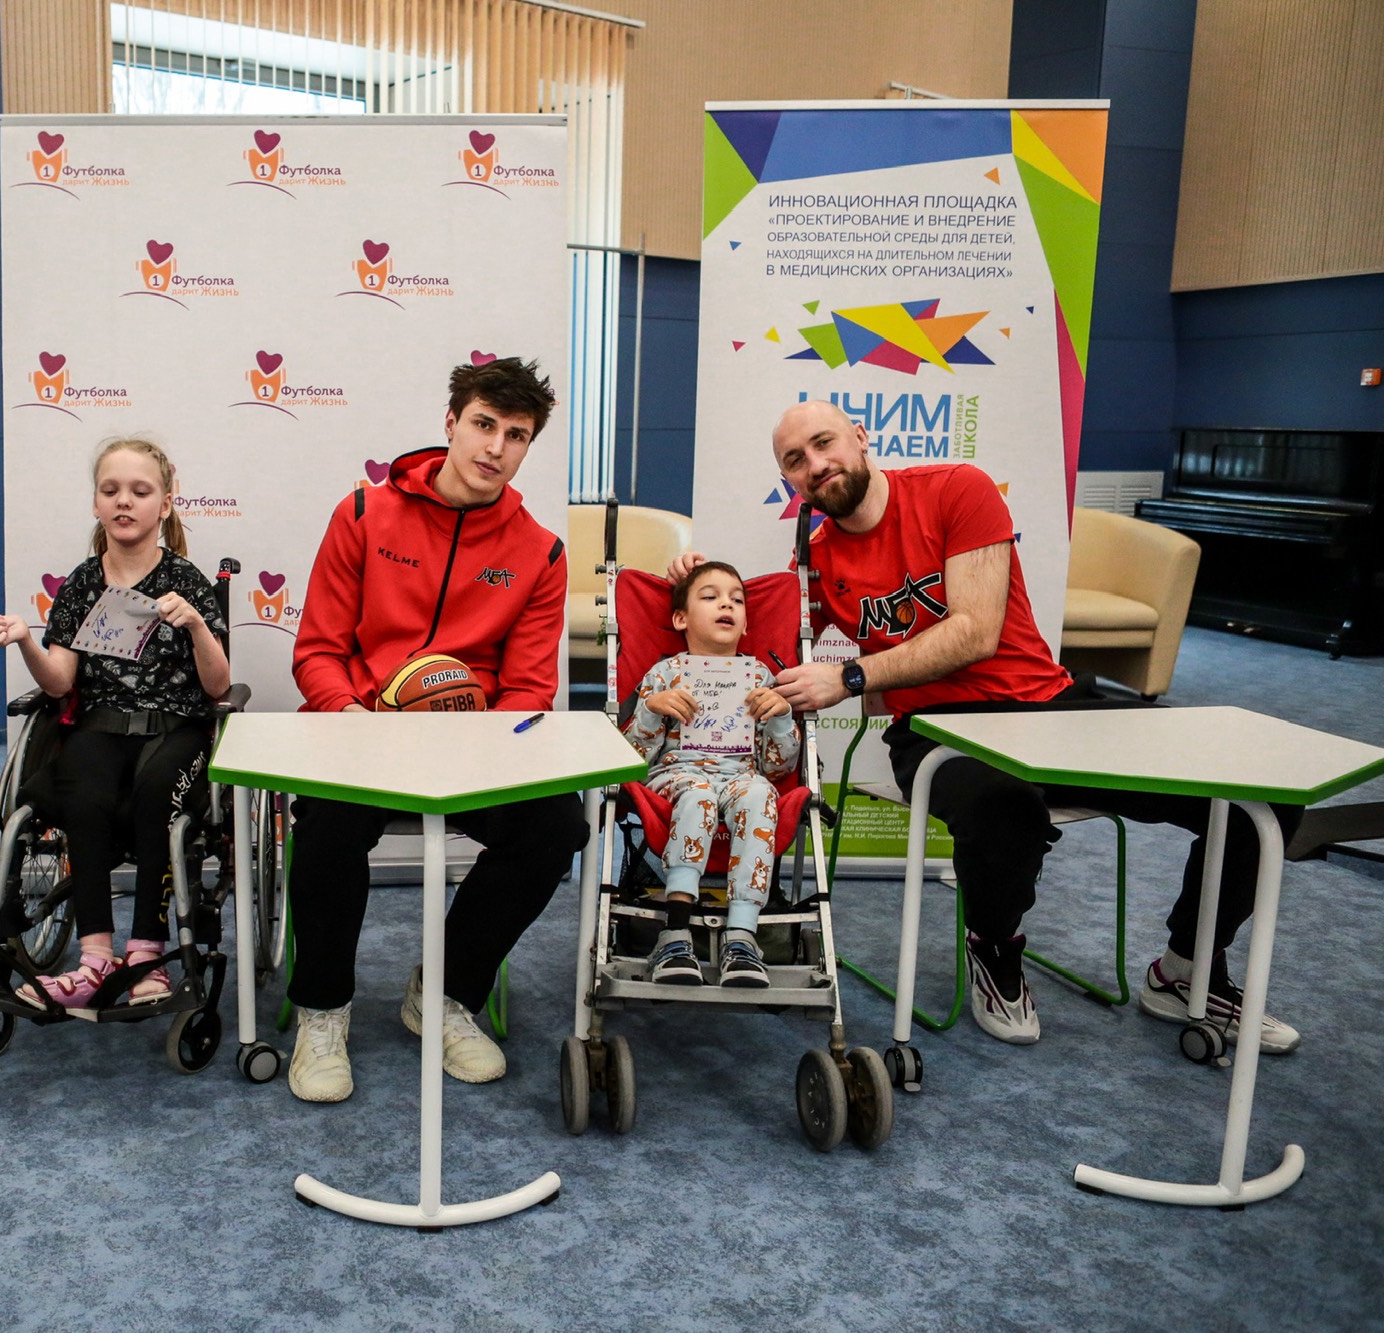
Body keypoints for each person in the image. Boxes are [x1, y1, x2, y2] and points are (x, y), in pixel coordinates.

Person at [672, 398, 1299, 1048]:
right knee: (1005, 806)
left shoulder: (956, 490)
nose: (814, 465)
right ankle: (994, 947)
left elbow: (975, 631)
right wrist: (697, 587)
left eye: (824, 443)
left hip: (1045, 706)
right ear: (792, 482)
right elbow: (759, 636)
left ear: (861, 436)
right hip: (935, 728)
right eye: (795, 461)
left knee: (1263, 798)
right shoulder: (821, 559)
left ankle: (1188, 968)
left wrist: (852, 676)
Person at [283, 356, 590, 1103]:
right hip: (361, 731)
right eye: (484, 425)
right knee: (325, 821)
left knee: (555, 825)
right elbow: (318, 651)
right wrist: (354, 720)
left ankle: (447, 992)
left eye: (516, 435)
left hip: (470, 746)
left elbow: (526, 691)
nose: (496, 447)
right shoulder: (363, 513)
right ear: (451, 423)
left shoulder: (541, 551)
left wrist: (480, 748)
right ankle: (322, 1010)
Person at [0, 436, 230, 1009]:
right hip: (99, 724)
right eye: (110, 490)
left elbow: (218, 687)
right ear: (96, 503)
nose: (124, 502)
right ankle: (95, 957)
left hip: (175, 727)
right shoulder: (82, 584)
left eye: (140, 492)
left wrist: (196, 625)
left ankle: (146, 953)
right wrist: (25, 641)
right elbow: (60, 682)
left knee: (154, 794)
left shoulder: (187, 581)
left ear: (164, 504)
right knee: (83, 796)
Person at [625, 560, 799, 988]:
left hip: (743, 771)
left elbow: (778, 768)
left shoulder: (759, 677)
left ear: (744, 624)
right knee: (699, 794)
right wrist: (651, 709)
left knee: (761, 795)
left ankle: (742, 937)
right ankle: (676, 930)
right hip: (677, 772)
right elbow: (632, 757)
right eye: (711, 597)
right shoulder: (664, 674)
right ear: (680, 619)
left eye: (737, 600)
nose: (727, 604)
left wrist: (779, 717)